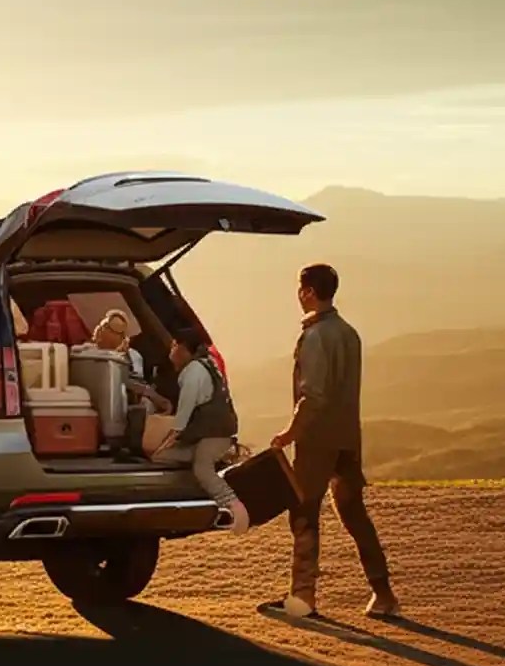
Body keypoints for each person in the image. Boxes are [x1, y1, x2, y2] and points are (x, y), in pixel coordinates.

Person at [269, 264, 399, 619]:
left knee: (304, 514)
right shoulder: (349, 333)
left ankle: (302, 598)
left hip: (317, 442)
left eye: (301, 290)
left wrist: (289, 434)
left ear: (309, 292)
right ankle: (383, 594)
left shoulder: (314, 337)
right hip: (347, 438)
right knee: (354, 513)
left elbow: (313, 397)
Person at [152, 328, 251, 534]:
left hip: (213, 434)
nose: (171, 351)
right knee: (167, 457)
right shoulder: (207, 365)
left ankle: (235, 509)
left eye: (174, 346)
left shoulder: (192, 373)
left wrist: (168, 439)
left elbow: (183, 416)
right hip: (213, 433)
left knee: (202, 469)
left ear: (183, 349)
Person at [87, 309, 172, 414]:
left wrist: (154, 396)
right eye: (105, 326)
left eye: (111, 330)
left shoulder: (130, 357)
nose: (102, 330)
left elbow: (132, 382)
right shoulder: (85, 353)